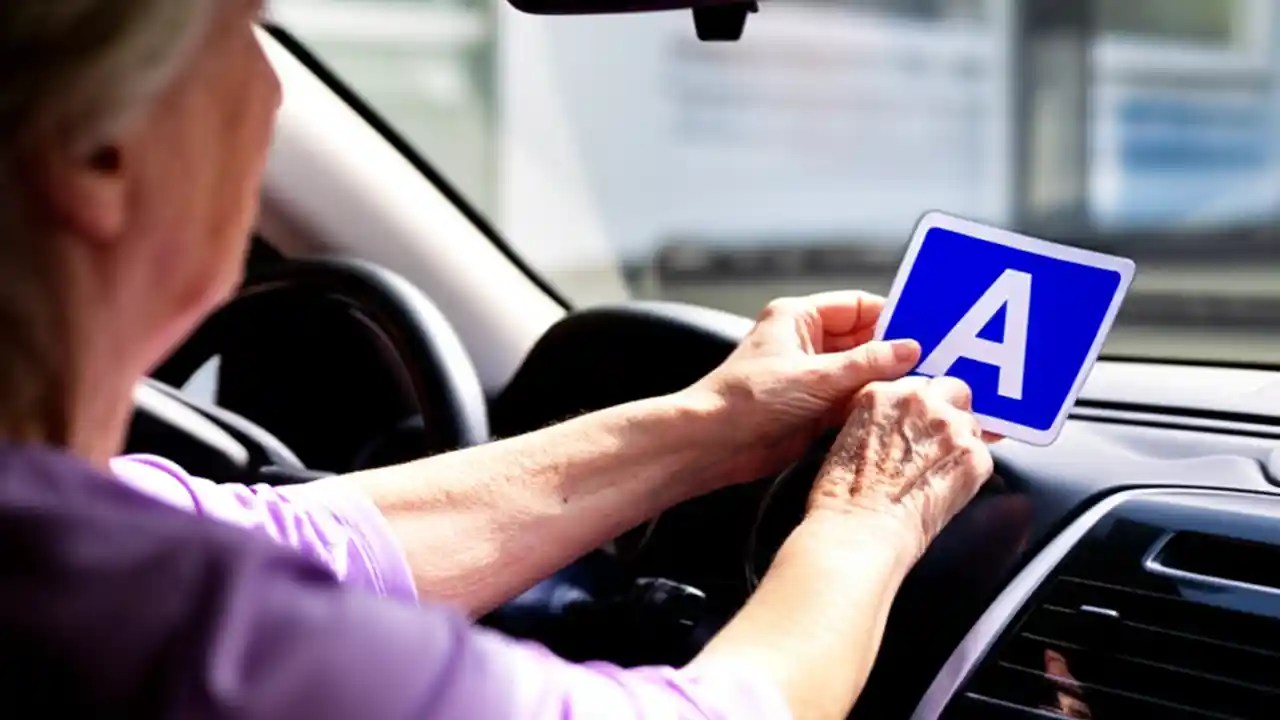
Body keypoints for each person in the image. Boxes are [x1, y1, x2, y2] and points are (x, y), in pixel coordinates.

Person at [0, 2, 996, 719]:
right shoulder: (151, 630)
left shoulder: (70, 538)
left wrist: (707, 426)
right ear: (99, 154)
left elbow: (282, 536)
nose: (266, 91)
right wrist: (870, 522)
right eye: (239, 29)